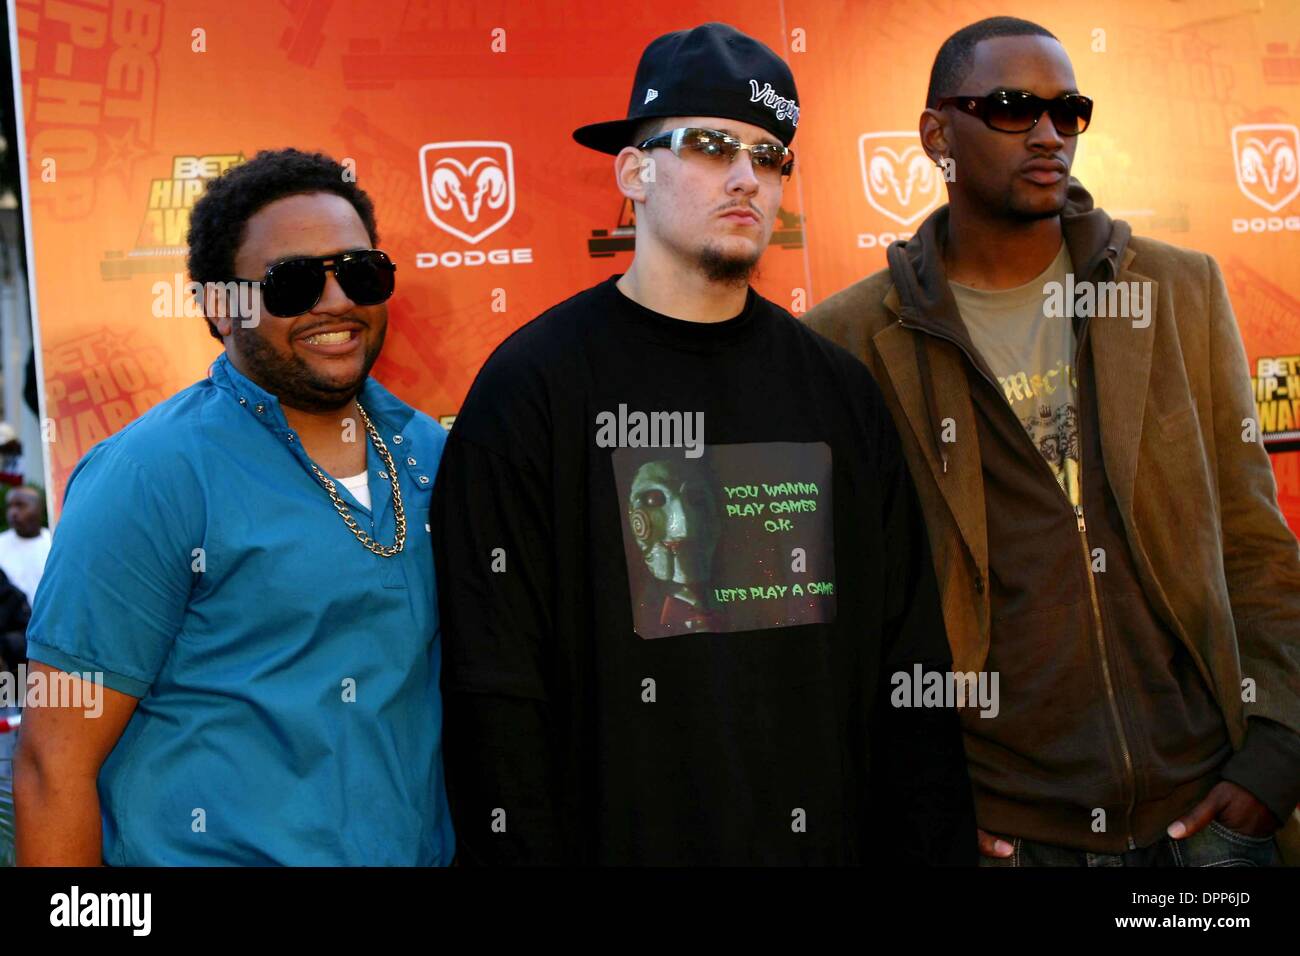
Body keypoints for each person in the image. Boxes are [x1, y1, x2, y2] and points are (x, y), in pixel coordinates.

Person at [432, 22, 976, 865]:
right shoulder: (532, 389)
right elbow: (496, 690)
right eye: (712, 144)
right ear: (633, 172)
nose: (746, 178)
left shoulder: (836, 392)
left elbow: (906, 654)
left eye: (770, 156)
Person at [806, 16, 1300, 866]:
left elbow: (1254, 541)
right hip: (1012, 838)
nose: (1046, 134)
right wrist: (924, 804)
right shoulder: (849, 341)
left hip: (1211, 825)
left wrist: (1279, 751)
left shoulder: (1177, 289)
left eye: (1067, 111)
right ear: (936, 136)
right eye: (1010, 108)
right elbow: (847, 618)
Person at [15, 148, 454, 866]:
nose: (337, 301)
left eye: (361, 272)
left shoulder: (429, 453)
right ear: (219, 306)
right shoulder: (150, 476)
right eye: (293, 282)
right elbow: (50, 769)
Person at [0, 485, 51, 609]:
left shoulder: (53, 542)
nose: (13, 512)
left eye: (20, 505)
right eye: (10, 506)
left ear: (39, 509)